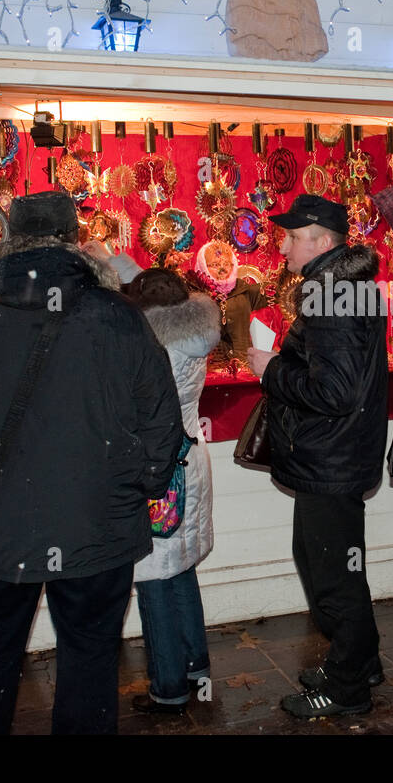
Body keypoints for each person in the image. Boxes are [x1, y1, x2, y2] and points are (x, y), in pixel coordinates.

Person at [0, 192, 183, 735]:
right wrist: (148, 482)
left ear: (9, 242)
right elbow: (162, 416)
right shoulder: (119, 318)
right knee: (88, 655)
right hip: (98, 523)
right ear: (73, 242)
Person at [246, 194, 388, 719]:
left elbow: (335, 392)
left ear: (323, 242)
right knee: (333, 569)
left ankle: (349, 690)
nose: (281, 244)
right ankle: (360, 662)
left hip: (331, 462)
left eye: (291, 236)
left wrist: (270, 370)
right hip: (336, 459)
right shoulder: (343, 290)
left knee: (333, 579)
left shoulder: (332, 297)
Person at [120, 268, 221, 717]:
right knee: (181, 568)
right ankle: (195, 664)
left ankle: (168, 687)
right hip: (191, 458)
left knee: (155, 577)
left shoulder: (150, 347)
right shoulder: (194, 334)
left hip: (162, 469)